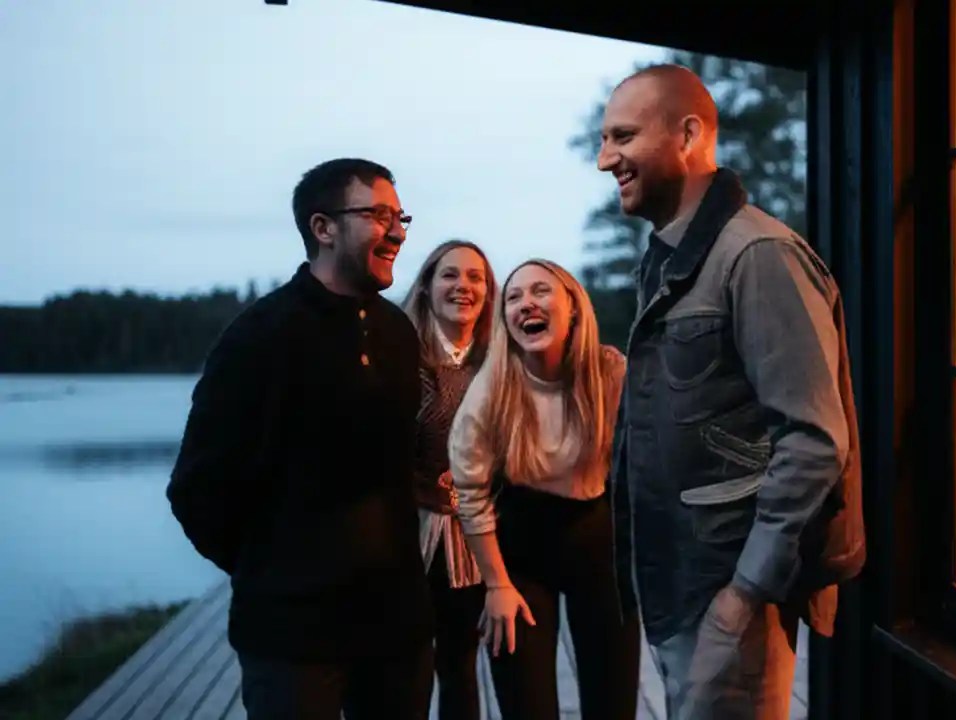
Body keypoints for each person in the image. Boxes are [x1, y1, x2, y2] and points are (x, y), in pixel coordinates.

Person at [596, 64, 867, 719]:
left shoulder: (758, 255)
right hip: (682, 589)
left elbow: (811, 440)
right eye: (605, 140)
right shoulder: (669, 258)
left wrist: (742, 594)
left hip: (728, 598)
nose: (606, 160)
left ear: (688, 133)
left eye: (624, 137)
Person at [166, 158, 432, 719]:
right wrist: (272, 571)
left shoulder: (396, 332)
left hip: (396, 629)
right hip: (291, 639)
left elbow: (396, 463)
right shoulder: (260, 337)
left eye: (401, 217)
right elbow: (196, 489)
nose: (399, 231)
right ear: (323, 227)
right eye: (380, 215)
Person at [448, 259, 641, 720]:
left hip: (598, 540)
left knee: (613, 701)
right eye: (513, 297)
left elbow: (652, 460)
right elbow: (470, 493)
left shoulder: (611, 372)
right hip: (518, 551)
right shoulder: (491, 389)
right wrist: (495, 584)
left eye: (539, 291)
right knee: (525, 703)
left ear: (572, 307)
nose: (525, 304)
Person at [400, 240, 496, 719]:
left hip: (479, 541)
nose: (464, 286)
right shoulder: (401, 358)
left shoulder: (501, 365)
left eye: (475, 277)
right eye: (450, 275)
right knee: (406, 664)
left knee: (461, 662)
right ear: (427, 286)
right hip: (406, 534)